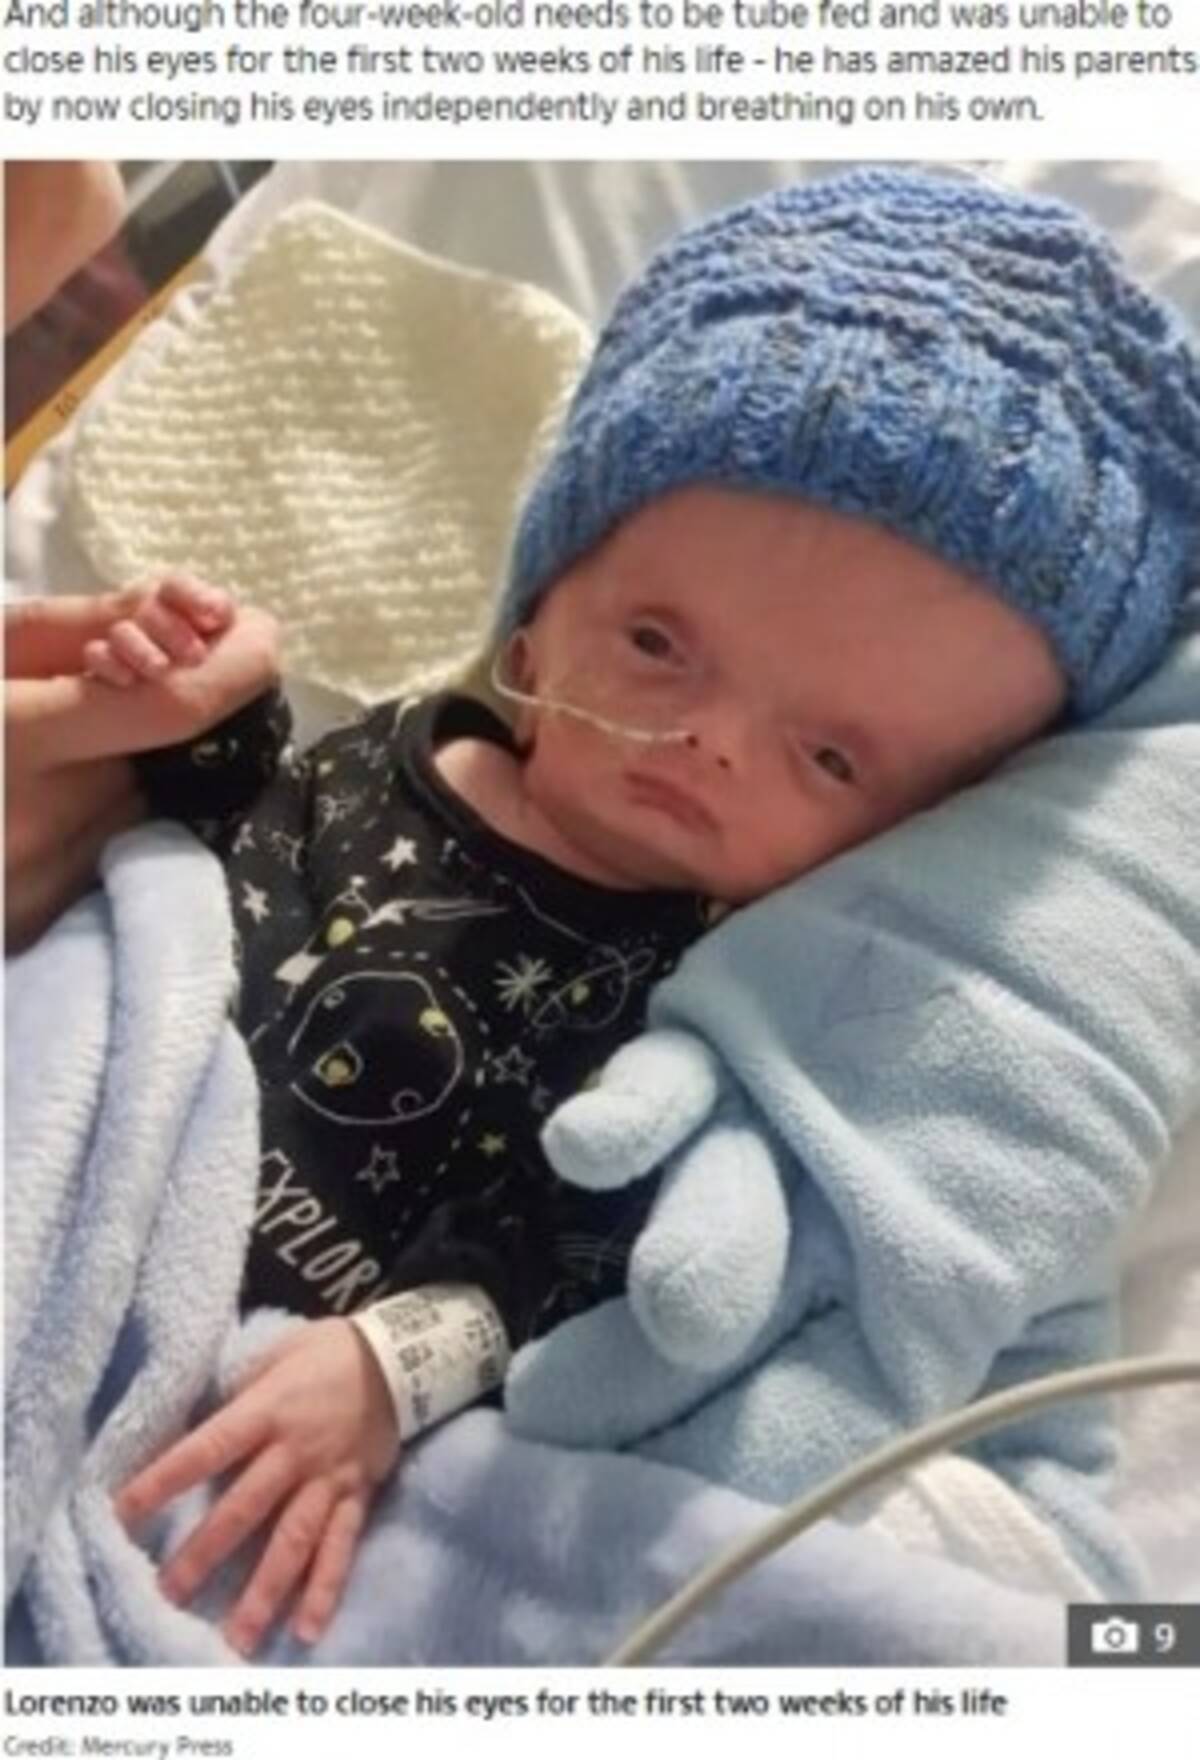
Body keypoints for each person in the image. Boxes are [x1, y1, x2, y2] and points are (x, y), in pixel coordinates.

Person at [19, 168, 1199, 1654]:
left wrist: (387, 1369)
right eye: (656, 643)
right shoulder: (384, 749)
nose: (709, 741)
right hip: (87, 1165)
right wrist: (163, 686)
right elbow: (185, 840)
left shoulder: (724, 989)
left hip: (272, 1407)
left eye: (831, 758)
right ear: (536, 612)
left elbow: (589, 1258)